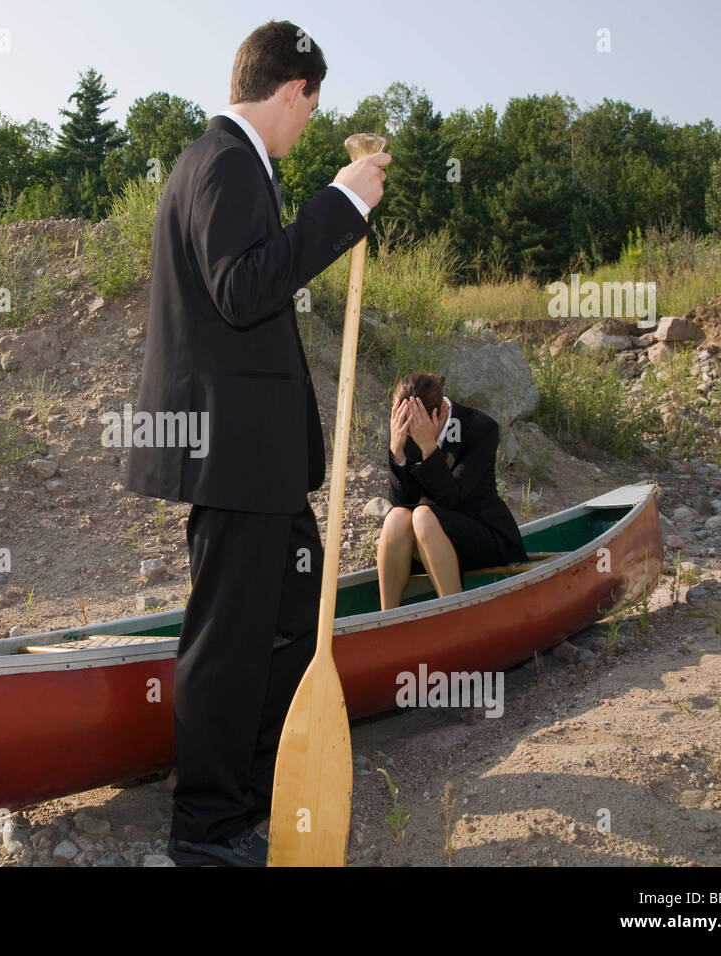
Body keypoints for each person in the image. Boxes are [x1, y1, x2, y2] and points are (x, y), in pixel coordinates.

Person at [123, 20, 390, 867]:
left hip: (255, 463)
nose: (310, 125)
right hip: (236, 460)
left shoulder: (225, 164)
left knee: (294, 627)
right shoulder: (230, 163)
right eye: (311, 108)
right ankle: (205, 828)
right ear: (292, 91)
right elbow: (242, 289)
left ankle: (256, 778)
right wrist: (342, 205)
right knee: (227, 644)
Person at [377, 372, 529, 610]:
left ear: (441, 413)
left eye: (415, 427)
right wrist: (398, 453)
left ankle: (453, 613)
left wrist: (429, 447)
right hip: (430, 545)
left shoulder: (479, 429)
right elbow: (401, 503)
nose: (410, 433)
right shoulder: (407, 427)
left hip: (484, 537)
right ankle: (387, 618)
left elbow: (452, 498)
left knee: (423, 515)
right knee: (397, 518)